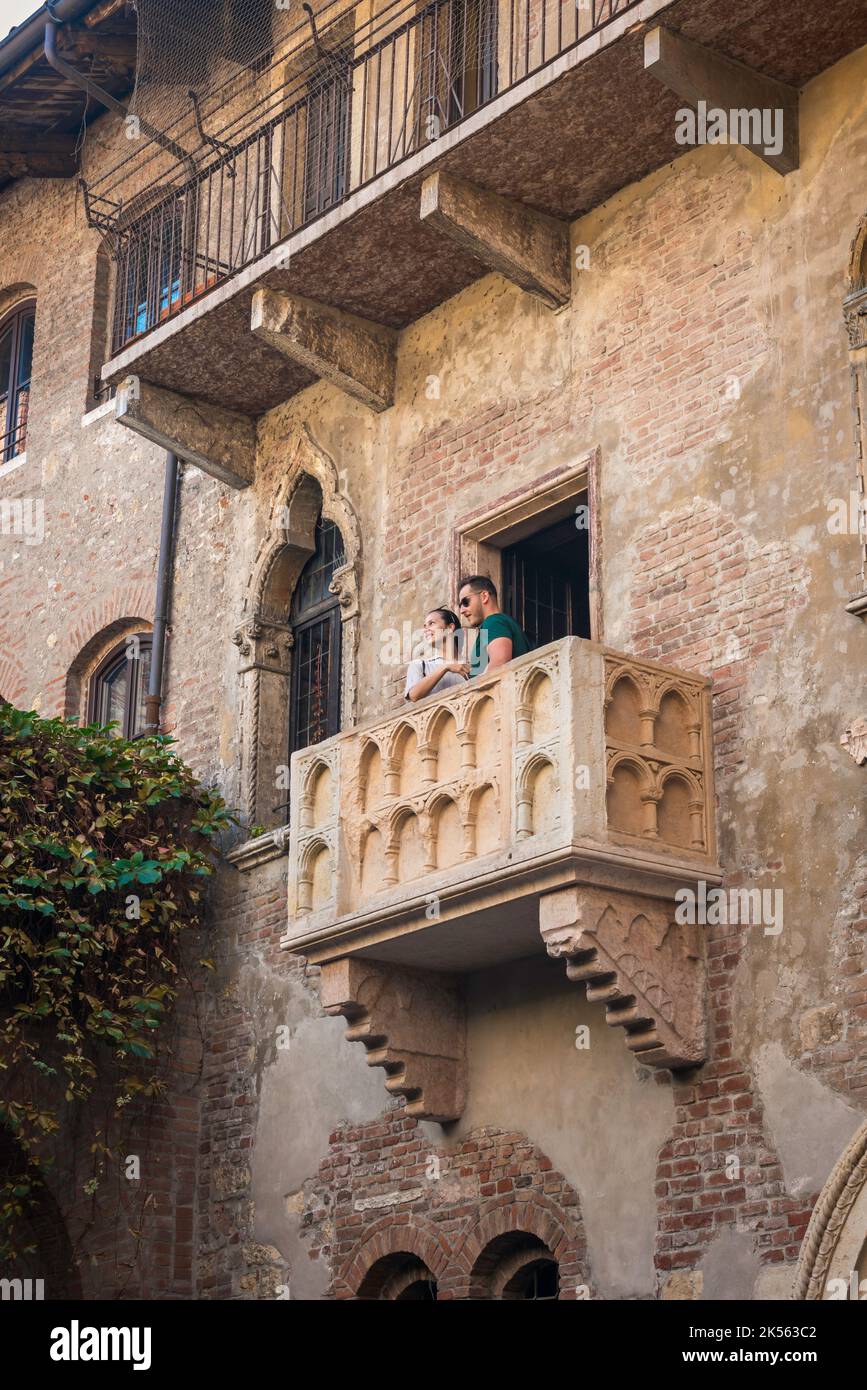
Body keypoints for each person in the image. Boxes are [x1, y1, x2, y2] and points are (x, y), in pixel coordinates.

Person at [458, 575, 529, 677]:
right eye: (460, 605)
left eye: (465, 602)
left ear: (484, 596)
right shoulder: (499, 622)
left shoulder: (493, 622)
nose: (462, 610)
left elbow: (500, 663)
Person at [404, 607, 469, 701]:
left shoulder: (470, 666)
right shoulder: (420, 665)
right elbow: (414, 696)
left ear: (450, 628)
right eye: (425, 626)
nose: (426, 630)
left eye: (431, 623)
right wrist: (445, 667)